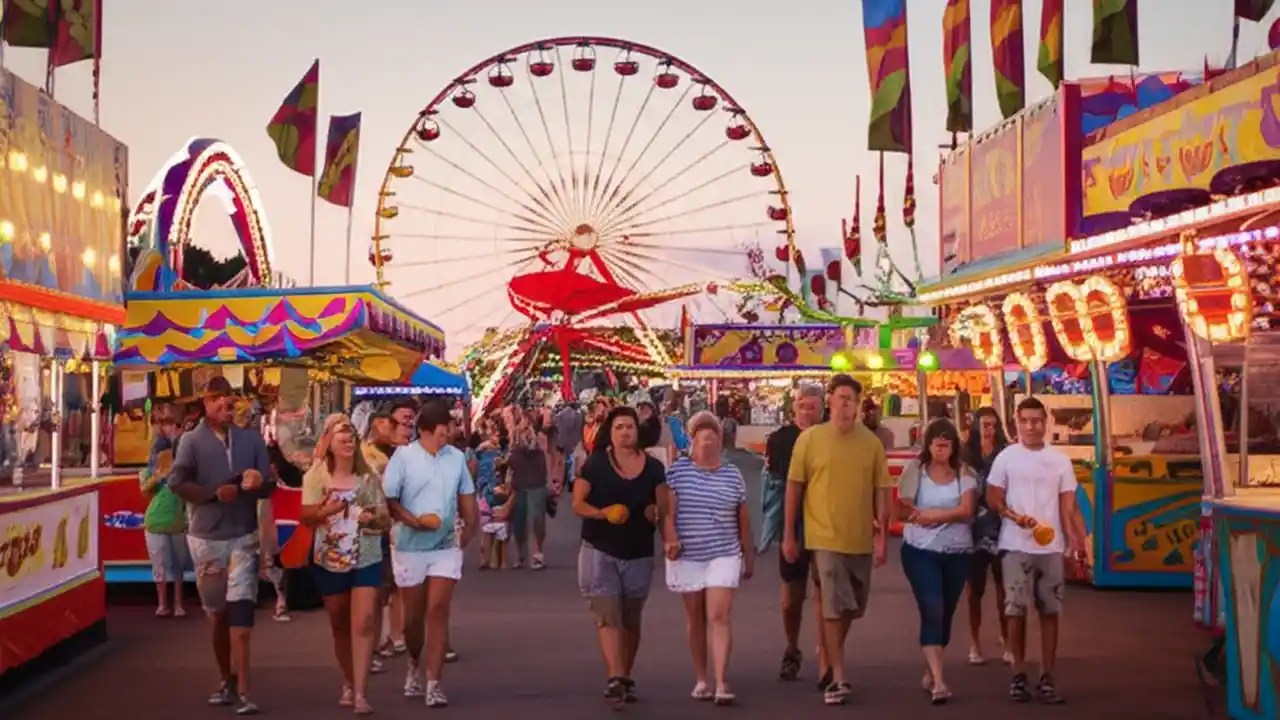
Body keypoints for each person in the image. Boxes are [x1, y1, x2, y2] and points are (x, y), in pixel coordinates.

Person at [782, 374, 893, 706]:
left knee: (852, 607)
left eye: (852, 399)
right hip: (823, 537)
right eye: (841, 397)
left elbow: (882, 490)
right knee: (831, 604)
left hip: (858, 536)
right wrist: (789, 534)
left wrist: (882, 537)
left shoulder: (870, 443)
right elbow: (793, 487)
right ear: (829, 400)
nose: (846, 404)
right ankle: (837, 674)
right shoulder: (810, 440)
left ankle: (830, 654)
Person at [168, 377, 275, 715]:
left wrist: (259, 483)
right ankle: (225, 680)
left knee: (242, 613)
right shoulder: (190, 441)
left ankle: (244, 691)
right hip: (206, 539)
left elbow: (268, 484)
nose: (226, 403)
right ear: (206, 404)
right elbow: (177, 482)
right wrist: (214, 494)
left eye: (229, 397)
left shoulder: (251, 439)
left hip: (244, 535)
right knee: (218, 615)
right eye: (218, 399)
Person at [985, 397, 1089, 704]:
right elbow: (993, 496)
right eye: (1026, 421)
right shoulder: (1006, 458)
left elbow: (1068, 505)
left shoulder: (1059, 461)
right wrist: (1011, 514)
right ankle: (1018, 673)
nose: (1032, 426)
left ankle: (1047, 675)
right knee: (1015, 610)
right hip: (1015, 544)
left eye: (1038, 420)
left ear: (1046, 422)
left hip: (1050, 546)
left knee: (1050, 610)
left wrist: (1076, 539)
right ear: (1016, 423)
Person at [572, 405, 675, 707]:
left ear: (637, 431)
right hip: (599, 549)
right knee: (608, 614)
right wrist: (602, 513)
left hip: (639, 552)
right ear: (610, 433)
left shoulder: (654, 468)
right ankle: (614, 676)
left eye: (630, 427)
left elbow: (664, 507)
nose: (625, 432)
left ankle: (624, 676)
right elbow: (578, 503)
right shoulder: (595, 465)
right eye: (619, 427)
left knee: (631, 618)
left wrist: (657, 516)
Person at [383, 400, 478, 708]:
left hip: (445, 547)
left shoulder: (456, 458)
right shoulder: (403, 457)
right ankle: (413, 661)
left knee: (438, 611)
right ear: (424, 431)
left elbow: (467, 498)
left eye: (447, 432)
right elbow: (390, 502)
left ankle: (434, 683)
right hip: (410, 546)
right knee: (414, 619)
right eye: (439, 433)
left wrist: (466, 534)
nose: (445, 438)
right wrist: (416, 522)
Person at [301, 415, 391, 715]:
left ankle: (362, 692)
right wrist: (326, 510)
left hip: (366, 555)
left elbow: (384, 518)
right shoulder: (316, 477)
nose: (349, 440)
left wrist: (370, 518)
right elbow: (305, 516)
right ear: (328, 442)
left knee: (364, 621)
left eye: (352, 435)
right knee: (339, 624)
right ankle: (349, 681)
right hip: (330, 557)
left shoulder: (368, 479)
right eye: (342, 435)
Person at [665, 411, 752, 705]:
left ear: (719, 441)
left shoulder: (732, 475)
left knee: (719, 615)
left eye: (713, 436)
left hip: (724, 552)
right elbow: (668, 512)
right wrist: (670, 537)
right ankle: (701, 676)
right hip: (688, 554)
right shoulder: (678, 472)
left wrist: (748, 554)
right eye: (702, 436)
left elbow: (743, 517)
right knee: (696, 617)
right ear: (692, 441)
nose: (708, 441)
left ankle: (721, 681)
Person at [896, 419, 977, 705]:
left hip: (957, 552)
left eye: (946, 441)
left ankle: (931, 667)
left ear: (954, 445)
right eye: (935, 441)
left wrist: (931, 515)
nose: (941, 446)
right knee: (932, 605)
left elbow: (967, 510)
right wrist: (923, 515)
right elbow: (901, 508)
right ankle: (939, 682)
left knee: (946, 613)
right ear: (927, 445)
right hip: (921, 550)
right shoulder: (914, 471)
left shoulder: (965, 473)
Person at [764, 383, 825, 683]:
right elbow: (775, 486)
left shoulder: (831, 437)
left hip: (827, 521)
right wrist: (781, 530)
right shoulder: (780, 439)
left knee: (824, 591)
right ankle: (792, 646)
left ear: (822, 408)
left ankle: (827, 652)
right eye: (802, 404)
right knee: (791, 597)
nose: (806, 410)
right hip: (794, 522)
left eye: (812, 405)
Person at [963, 406, 1012, 666]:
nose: (989, 429)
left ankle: (1007, 639)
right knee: (974, 590)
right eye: (984, 424)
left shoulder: (1005, 454)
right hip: (972, 529)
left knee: (1004, 588)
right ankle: (974, 641)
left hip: (1001, 526)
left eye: (993, 424)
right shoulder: (966, 454)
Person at [140, 405, 189, 618]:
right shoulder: (150, 472)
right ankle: (163, 603)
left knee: (177, 565)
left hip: (177, 521)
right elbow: (145, 490)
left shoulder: (181, 469)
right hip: (157, 521)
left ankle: (177, 603)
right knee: (160, 565)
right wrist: (159, 475)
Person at [507, 421, 550, 570]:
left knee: (536, 519)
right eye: (523, 429)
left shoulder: (539, 443)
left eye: (528, 428)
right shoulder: (515, 447)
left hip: (537, 485)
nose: (526, 432)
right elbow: (510, 466)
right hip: (519, 487)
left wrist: (552, 481)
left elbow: (549, 458)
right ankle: (521, 554)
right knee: (518, 522)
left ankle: (537, 553)